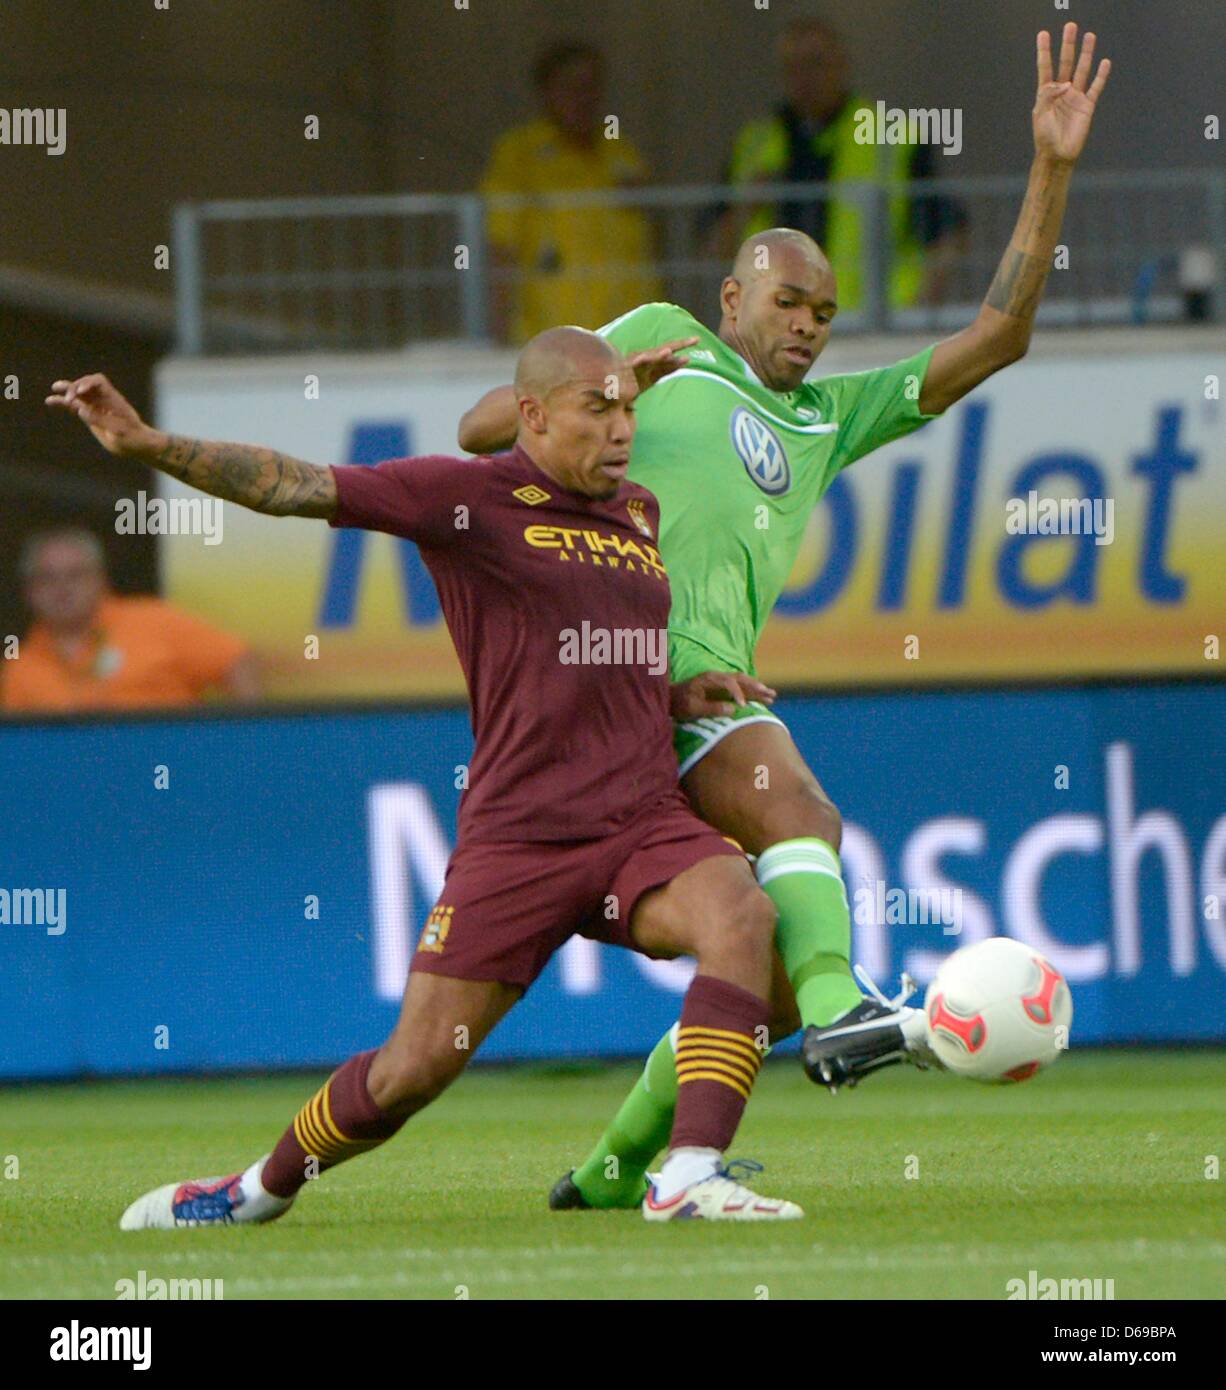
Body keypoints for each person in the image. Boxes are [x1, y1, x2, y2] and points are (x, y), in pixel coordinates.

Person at [458, 24, 1112, 1211]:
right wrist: (607, 386)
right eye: (787, 299)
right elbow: (481, 429)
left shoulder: (829, 417)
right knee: (801, 810)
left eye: (823, 307)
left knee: (744, 966)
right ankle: (845, 1005)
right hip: (610, 680)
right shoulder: (662, 343)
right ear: (730, 295)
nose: (808, 323)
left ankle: (614, 1172)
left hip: (695, 689)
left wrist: (1050, 167)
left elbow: (997, 336)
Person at [46, 326, 804, 1225]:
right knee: (411, 1071)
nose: (622, 429)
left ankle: (688, 1173)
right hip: (521, 838)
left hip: (641, 821)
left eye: (629, 409)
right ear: (532, 414)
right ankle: (255, 1191)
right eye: (598, 409)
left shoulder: (636, 511)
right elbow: (296, 485)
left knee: (744, 914)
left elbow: (592, 654)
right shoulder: (465, 498)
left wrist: (678, 695)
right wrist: (149, 445)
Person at [709, 15, 968, 310]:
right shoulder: (756, 143)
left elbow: (948, 232)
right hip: (776, 324)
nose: (804, 77)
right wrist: (748, 203)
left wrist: (920, 304)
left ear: (841, 65)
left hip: (868, 322)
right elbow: (713, 247)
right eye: (792, 67)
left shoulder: (891, 136)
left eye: (815, 63)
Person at [479, 40, 660, 343]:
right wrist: (497, 328)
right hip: (553, 334)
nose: (582, 98)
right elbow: (501, 245)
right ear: (546, 93)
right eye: (569, 87)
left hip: (629, 330)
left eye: (590, 86)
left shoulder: (619, 149)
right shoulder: (519, 153)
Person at [1, 528, 258, 713]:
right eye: (47, 578)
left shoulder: (154, 621)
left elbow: (236, 661)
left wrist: (246, 747)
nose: (62, 588)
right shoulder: (18, 668)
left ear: (100, 579)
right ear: (29, 591)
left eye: (75, 575)